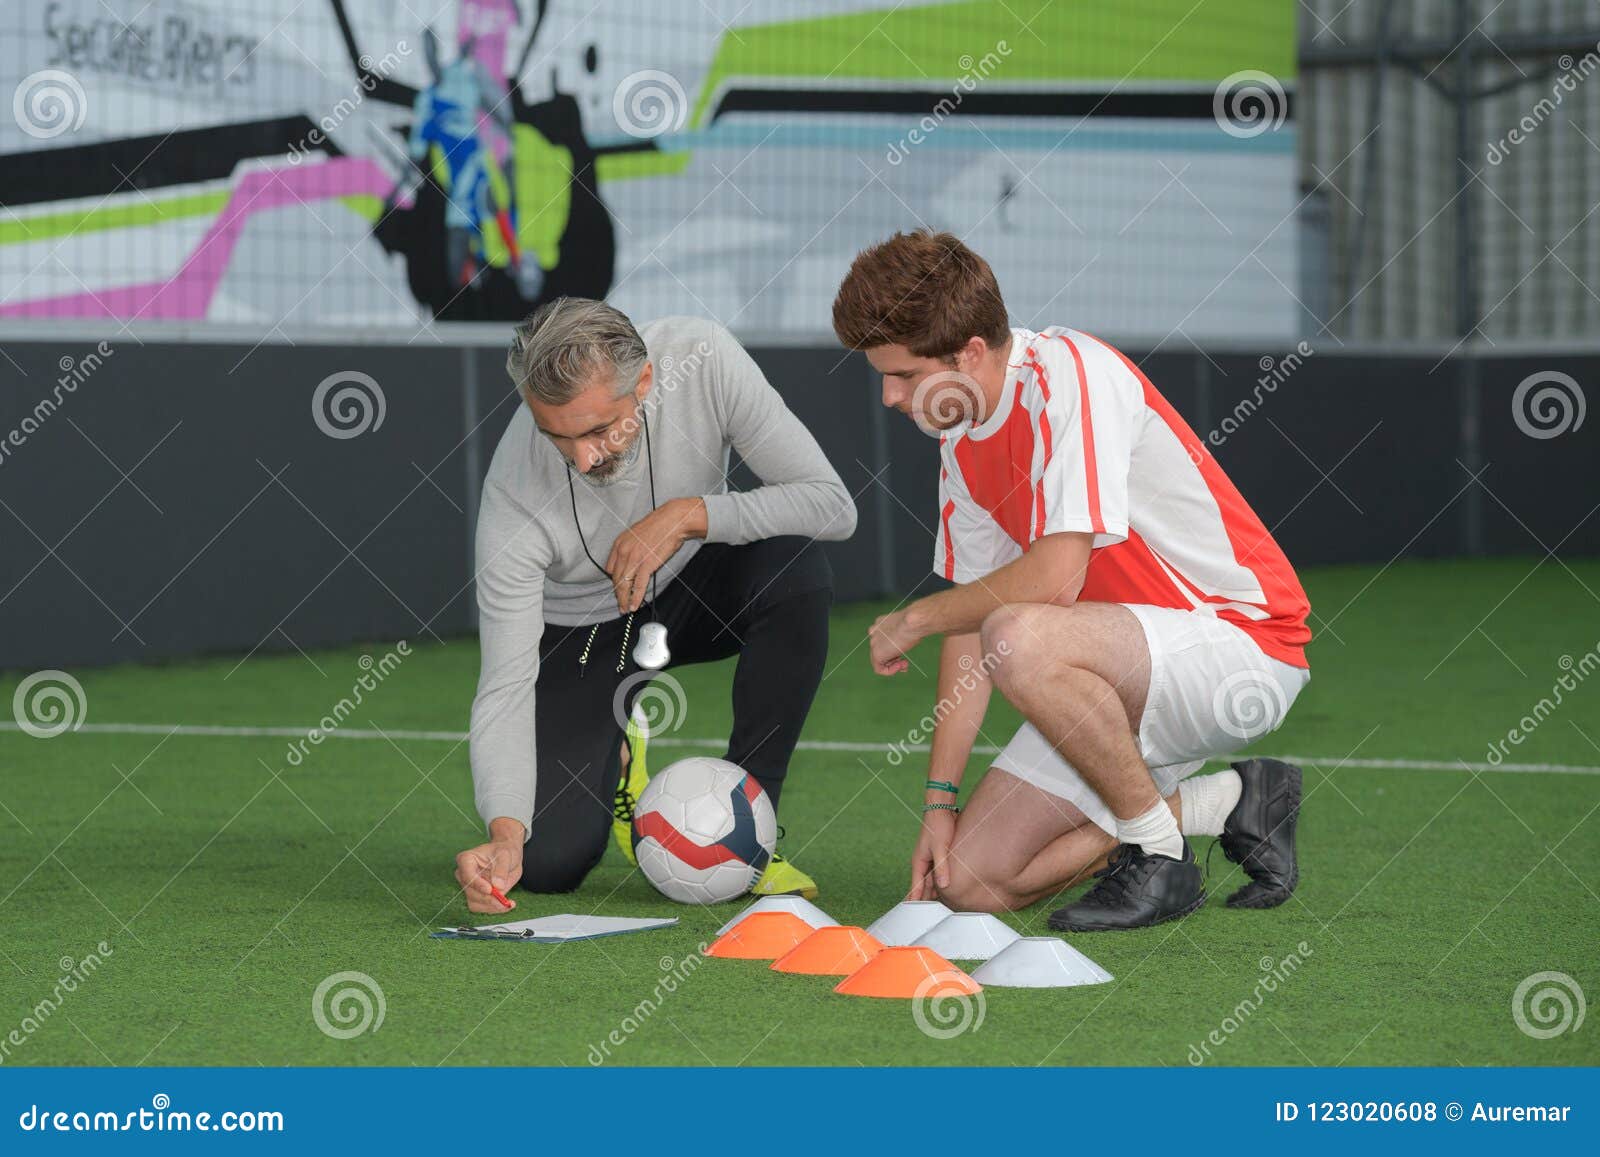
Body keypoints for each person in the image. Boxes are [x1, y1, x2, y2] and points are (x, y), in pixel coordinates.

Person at [832, 230, 1311, 931]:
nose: (888, 396)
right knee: (970, 879)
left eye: (902, 374)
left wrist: (915, 618)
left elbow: (1055, 578)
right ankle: (1229, 801)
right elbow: (971, 625)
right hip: (1118, 674)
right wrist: (939, 800)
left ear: (968, 353)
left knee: (1019, 632)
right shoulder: (962, 439)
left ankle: (1157, 854)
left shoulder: (1071, 373)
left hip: (1240, 646)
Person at [454, 297, 856, 913]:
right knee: (547, 865)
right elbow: (504, 687)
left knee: (794, 568)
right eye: (555, 435)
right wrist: (505, 834)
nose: (582, 457)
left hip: (690, 589)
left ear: (644, 381)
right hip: (585, 633)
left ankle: (752, 821)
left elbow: (832, 505)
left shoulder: (703, 358)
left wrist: (691, 515)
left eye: (595, 429)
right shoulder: (512, 497)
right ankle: (618, 753)